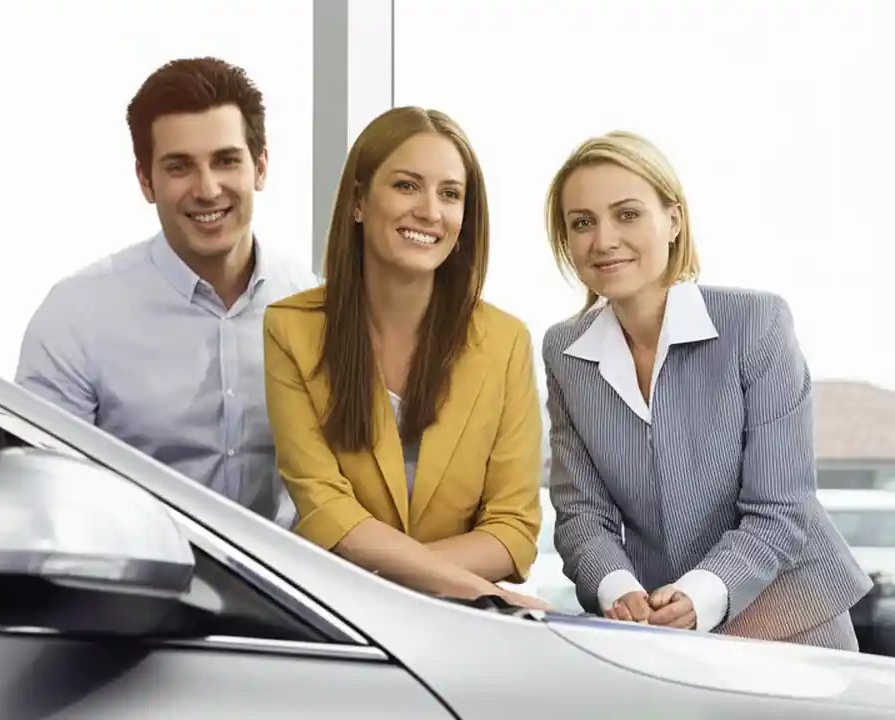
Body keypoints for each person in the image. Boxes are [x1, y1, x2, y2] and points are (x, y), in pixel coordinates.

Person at [542, 130, 872, 648]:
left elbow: (781, 509)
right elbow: (581, 511)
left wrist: (698, 596)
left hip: (790, 620)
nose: (602, 240)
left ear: (673, 220)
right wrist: (618, 590)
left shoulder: (755, 324)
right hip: (658, 636)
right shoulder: (565, 351)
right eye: (582, 223)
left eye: (627, 214)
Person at [263, 106, 549, 609]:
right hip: (339, 620)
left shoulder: (505, 340)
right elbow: (329, 511)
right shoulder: (290, 329)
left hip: (457, 620)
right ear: (357, 201)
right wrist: (476, 588)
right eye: (406, 186)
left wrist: (408, 583)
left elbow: (513, 529)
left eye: (450, 194)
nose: (430, 211)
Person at [15, 57, 317, 525]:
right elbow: (42, 496)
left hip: (284, 592)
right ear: (145, 180)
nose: (207, 188)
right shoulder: (76, 316)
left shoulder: (314, 306)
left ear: (260, 167)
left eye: (226, 161)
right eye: (180, 167)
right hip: (125, 587)